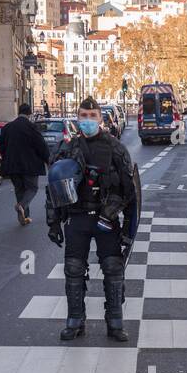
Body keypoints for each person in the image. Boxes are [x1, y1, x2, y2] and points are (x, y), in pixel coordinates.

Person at [46, 97, 137, 342]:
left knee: (113, 269)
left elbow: (130, 190)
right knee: (74, 270)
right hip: (77, 217)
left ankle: (115, 322)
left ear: (100, 118)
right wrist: (53, 222)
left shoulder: (115, 148)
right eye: (83, 116)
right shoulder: (68, 148)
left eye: (92, 116)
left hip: (105, 219)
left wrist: (128, 227)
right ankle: (75, 321)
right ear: (78, 118)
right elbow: (53, 187)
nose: (87, 121)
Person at [0, 104, 50, 226]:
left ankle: (24, 216)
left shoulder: (7, 127)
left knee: (19, 190)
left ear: (18, 112)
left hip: (12, 165)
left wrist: (7, 159)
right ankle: (21, 206)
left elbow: (2, 146)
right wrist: (48, 160)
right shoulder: (31, 127)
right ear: (29, 114)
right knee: (32, 188)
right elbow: (41, 145)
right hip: (30, 165)